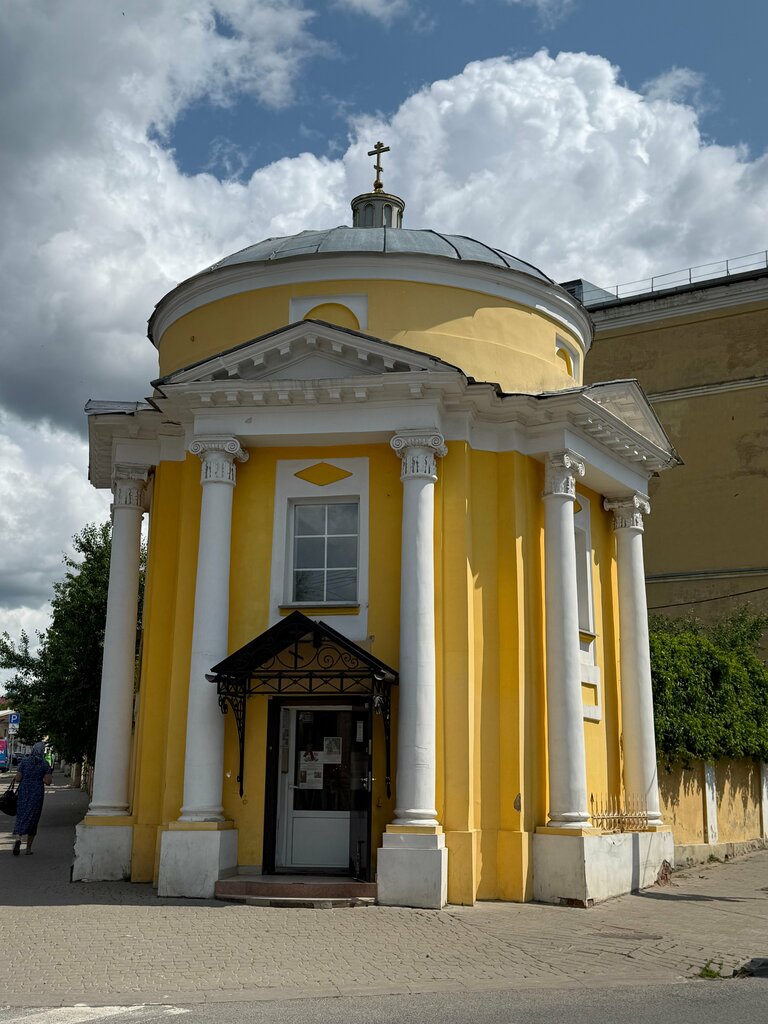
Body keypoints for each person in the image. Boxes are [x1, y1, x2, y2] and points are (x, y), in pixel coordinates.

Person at [12, 742, 53, 857]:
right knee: (33, 818)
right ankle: (28, 848)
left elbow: (18, 778)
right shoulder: (45, 764)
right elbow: (48, 782)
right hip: (37, 794)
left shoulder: (24, 762)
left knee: (22, 815)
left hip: (24, 792)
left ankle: (18, 839)